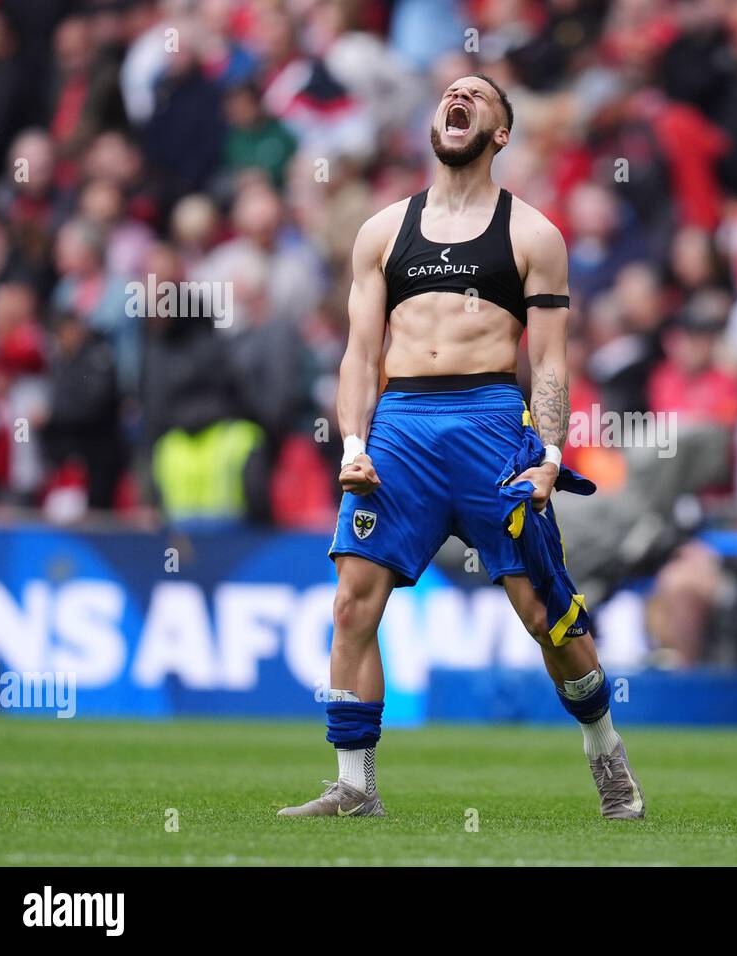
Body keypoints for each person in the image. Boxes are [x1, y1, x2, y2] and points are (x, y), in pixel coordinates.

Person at [278, 74, 644, 820]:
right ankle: (354, 786)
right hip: (401, 428)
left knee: (545, 615)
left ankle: (606, 753)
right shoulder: (382, 231)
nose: (460, 98)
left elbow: (547, 362)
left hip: (489, 425)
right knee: (352, 605)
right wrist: (353, 438)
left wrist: (546, 453)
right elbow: (357, 354)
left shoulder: (533, 235)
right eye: (452, 92)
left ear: (500, 134)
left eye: (479, 96)